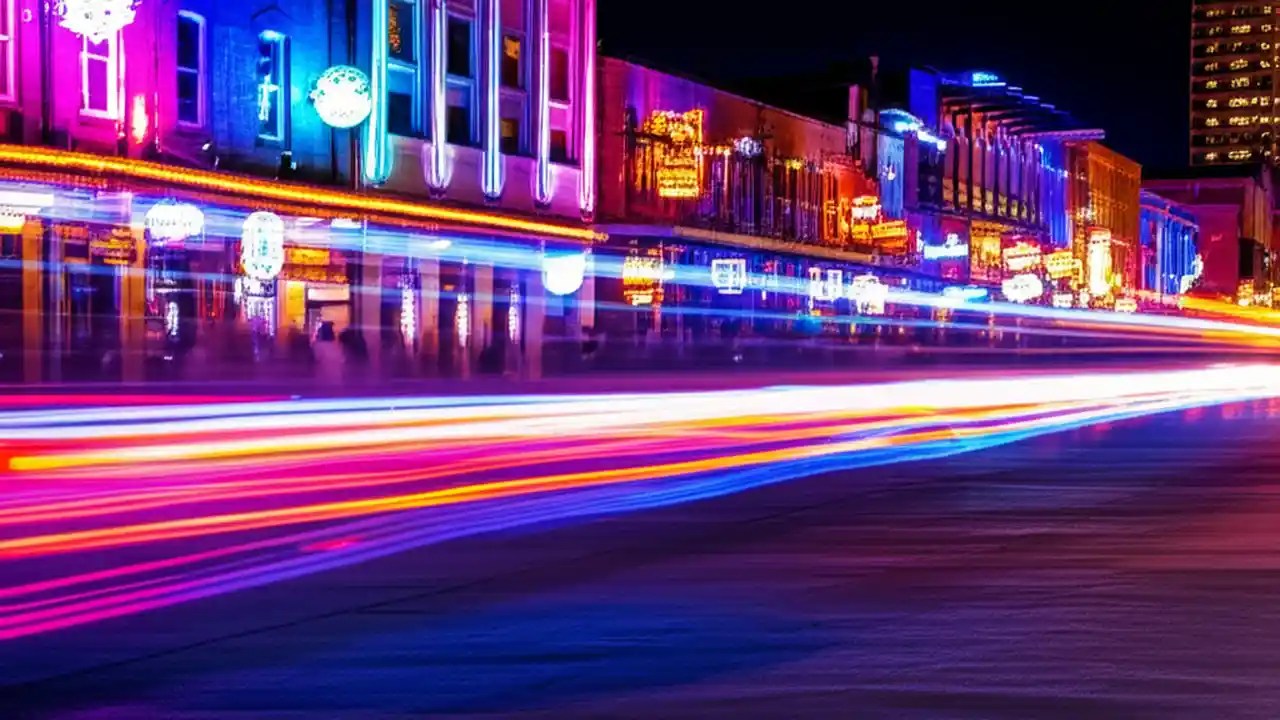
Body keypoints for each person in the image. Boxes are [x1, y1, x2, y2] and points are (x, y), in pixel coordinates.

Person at [313, 321, 342, 386]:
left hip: (323, 374)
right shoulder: (336, 345)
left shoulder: (318, 345)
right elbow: (342, 359)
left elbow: (317, 358)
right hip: (336, 375)